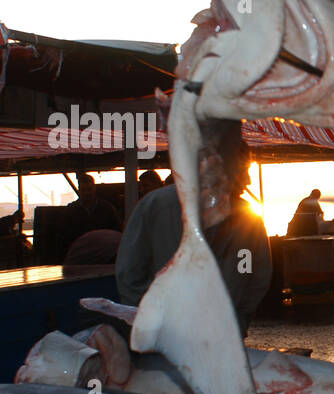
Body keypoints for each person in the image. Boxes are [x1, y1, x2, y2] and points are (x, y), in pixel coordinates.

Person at [115, 121, 272, 335]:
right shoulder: (156, 207)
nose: (247, 180)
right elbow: (130, 273)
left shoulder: (246, 219)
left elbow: (253, 272)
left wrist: (239, 316)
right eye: (241, 169)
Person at [67, 173, 122, 238]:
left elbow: (117, 231)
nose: (86, 193)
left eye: (89, 189)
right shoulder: (70, 210)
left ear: (94, 188)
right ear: (79, 190)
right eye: (83, 190)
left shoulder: (108, 208)